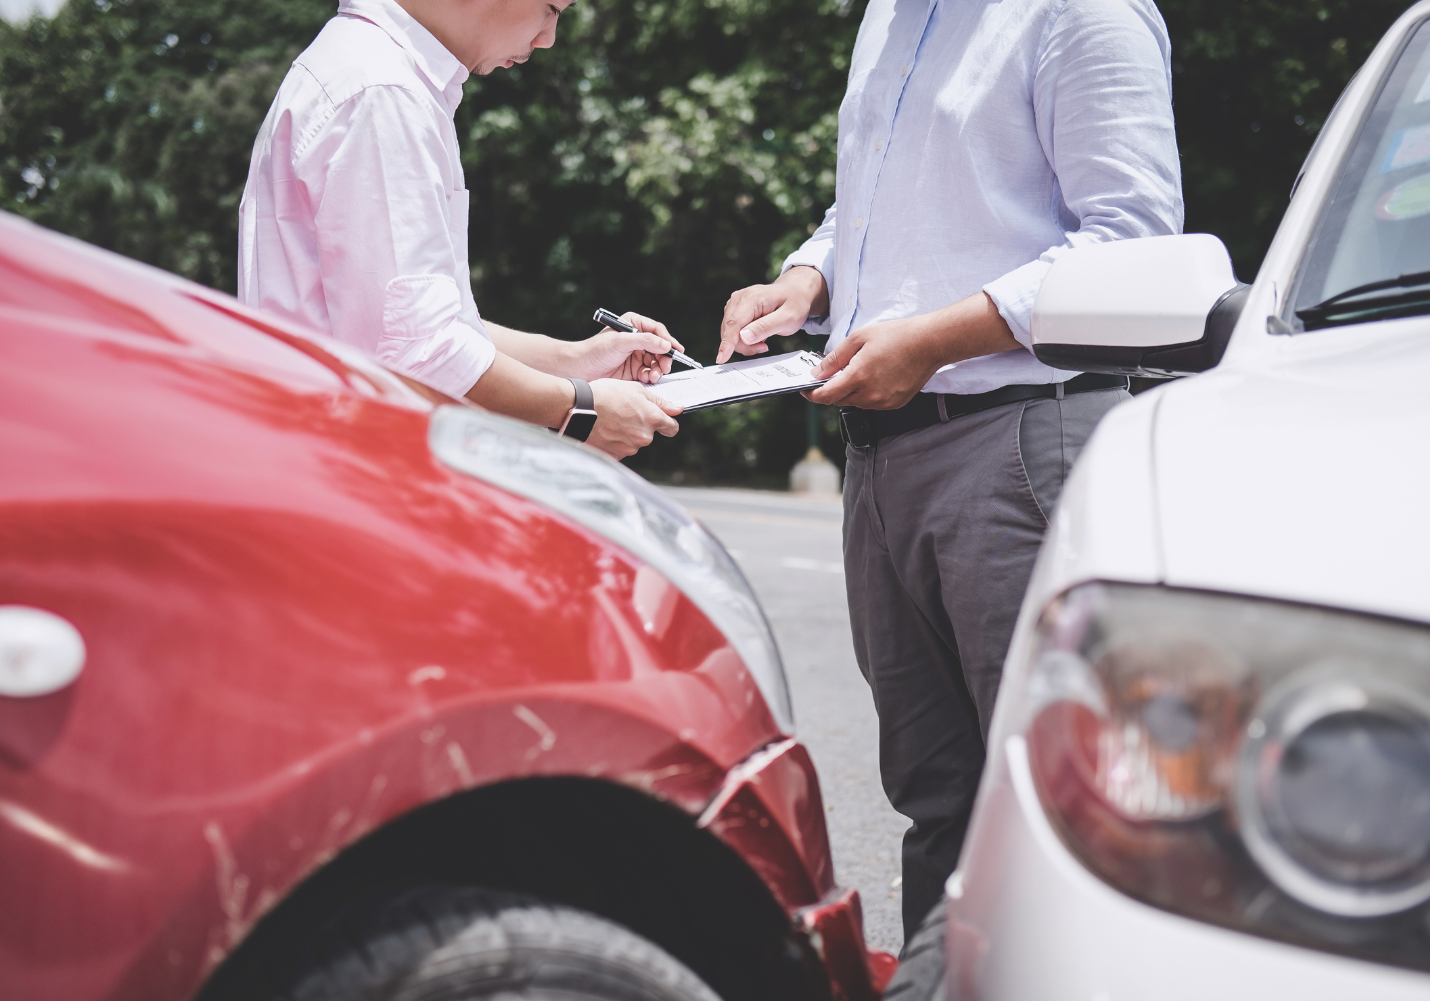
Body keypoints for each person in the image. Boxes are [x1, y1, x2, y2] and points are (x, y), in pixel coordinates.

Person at [719, 0, 1183, 939]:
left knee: (1053, 803)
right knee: (937, 800)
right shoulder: (892, 16)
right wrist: (806, 280)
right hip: (882, 456)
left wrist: (933, 341)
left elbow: (1136, 242)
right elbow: (875, 208)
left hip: (1020, 444)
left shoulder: (1081, 12)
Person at [239, 0, 681, 457]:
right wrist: (580, 407)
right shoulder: (384, 93)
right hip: (345, 465)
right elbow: (421, 351)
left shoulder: (370, 71)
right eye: (551, 8)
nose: (548, 38)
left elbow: (418, 328)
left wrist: (575, 360)